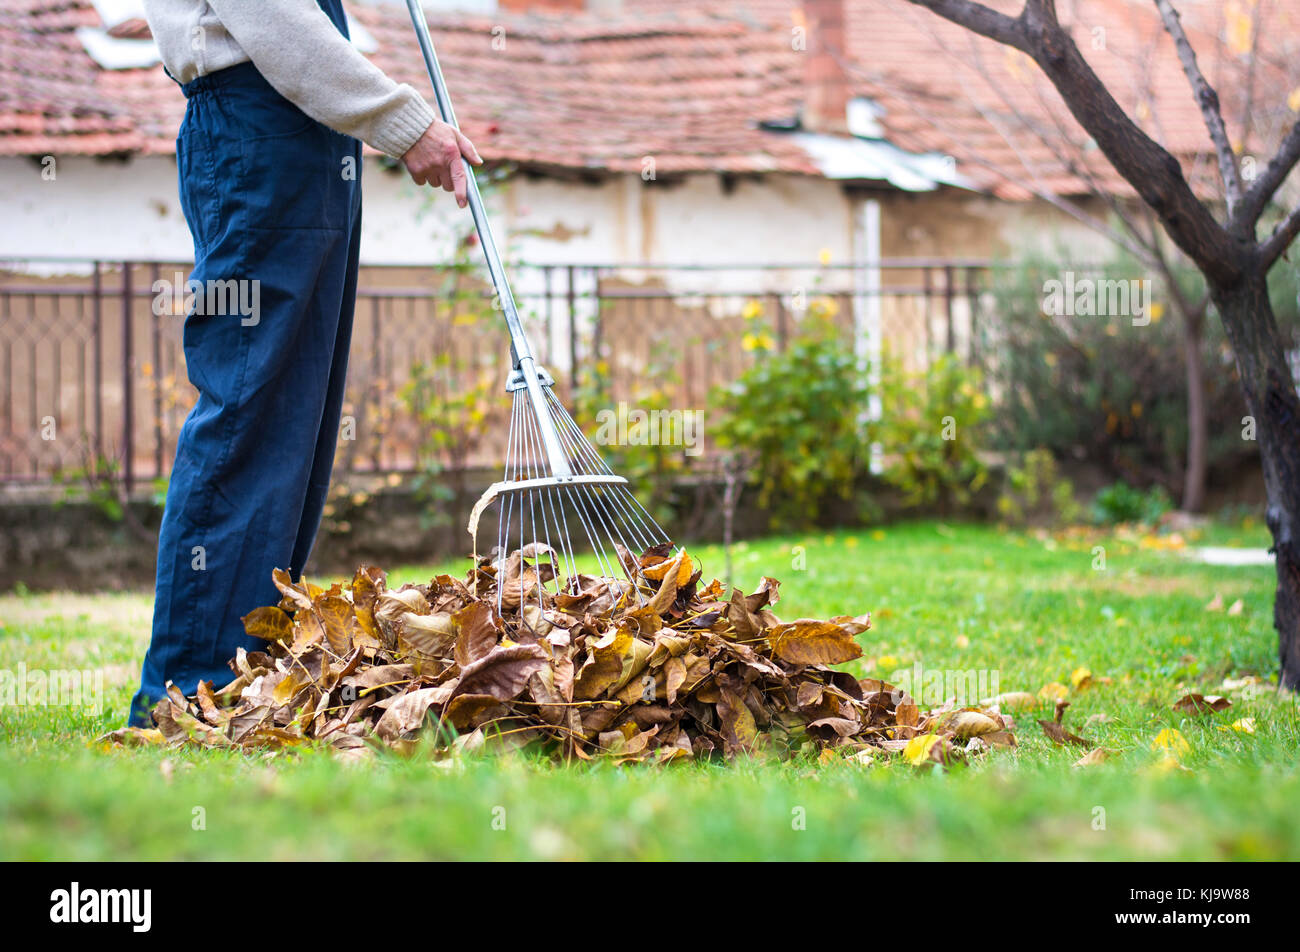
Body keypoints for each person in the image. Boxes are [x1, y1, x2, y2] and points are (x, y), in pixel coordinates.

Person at [128, 0, 480, 726]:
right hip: (259, 129)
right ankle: (189, 688)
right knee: (249, 410)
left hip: (300, 138)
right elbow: (271, 15)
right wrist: (405, 123)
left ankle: (247, 676)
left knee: (296, 424)